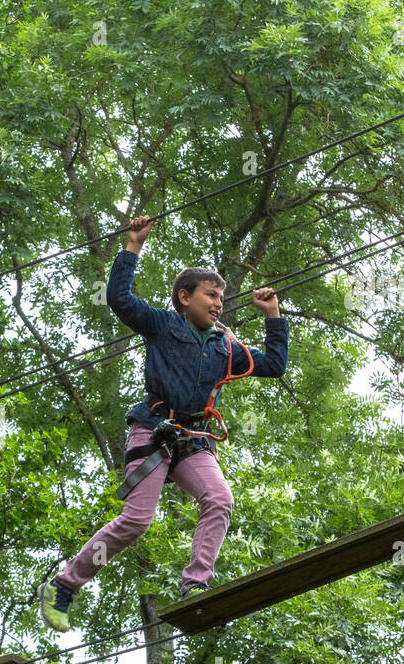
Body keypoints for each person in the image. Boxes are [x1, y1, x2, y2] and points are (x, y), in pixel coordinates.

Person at [38, 214, 289, 632]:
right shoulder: (161, 325)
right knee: (137, 521)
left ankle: (196, 586)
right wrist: (132, 246)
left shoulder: (226, 348)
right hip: (153, 431)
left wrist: (273, 315)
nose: (217, 304)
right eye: (210, 295)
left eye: (221, 299)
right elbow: (120, 299)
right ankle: (64, 585)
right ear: (183, 297)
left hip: (193, 440)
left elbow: (275, 365)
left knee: (220, 500)